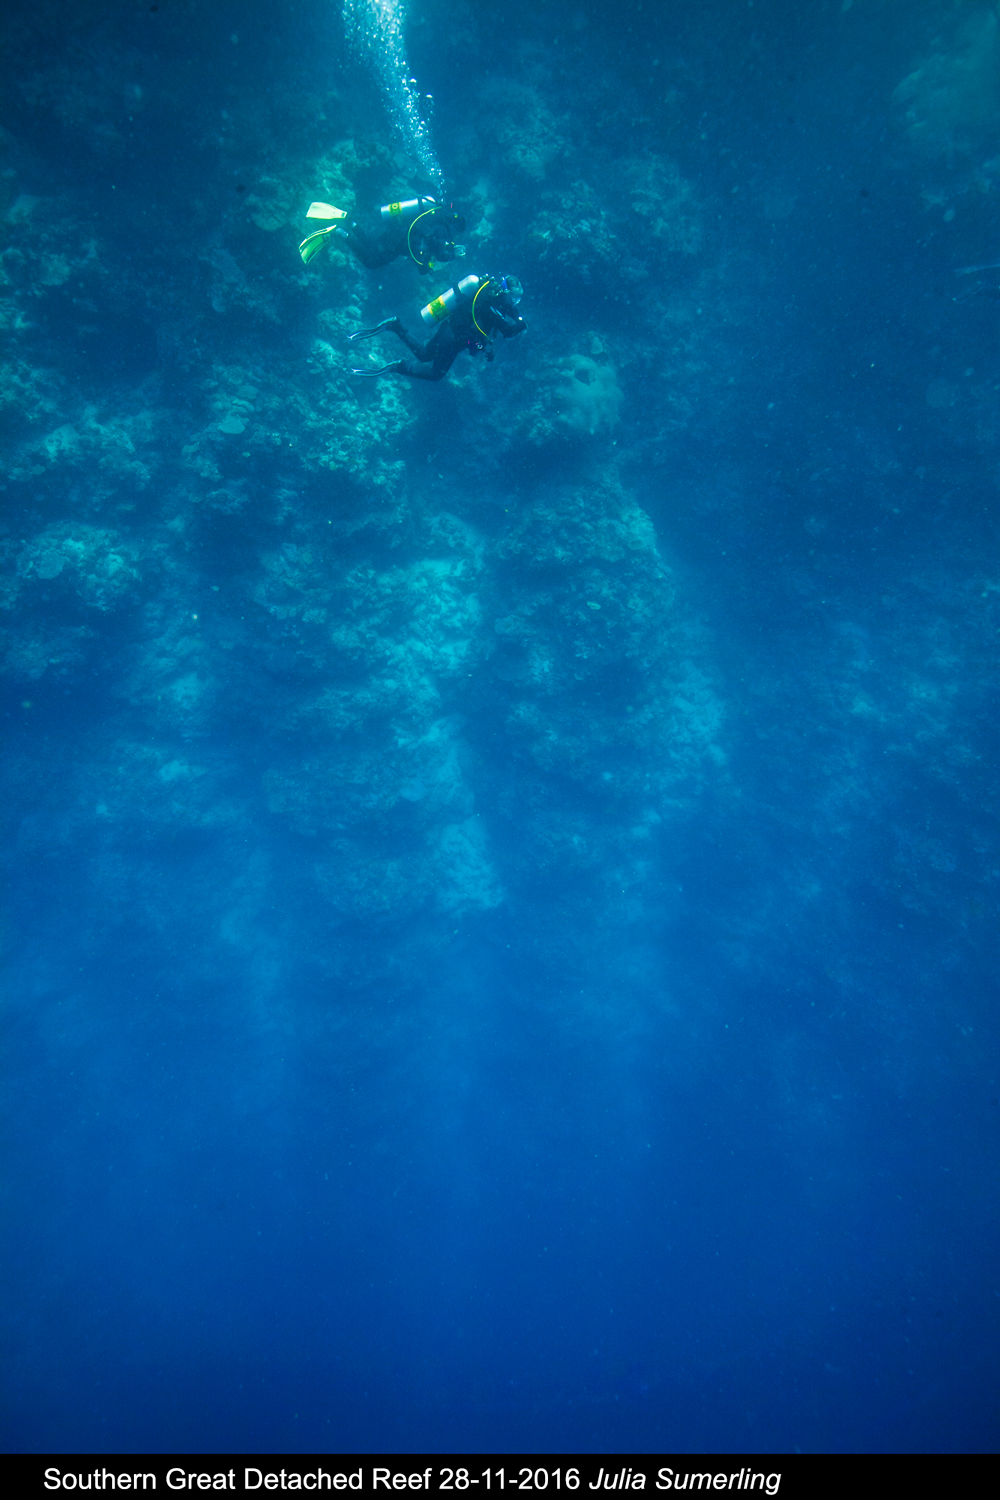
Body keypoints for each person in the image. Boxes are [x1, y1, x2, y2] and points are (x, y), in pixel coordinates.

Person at [349, 273, 525, 382]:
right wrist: (522, 324)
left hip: (449, 327)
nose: (513, 303)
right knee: (435, 374)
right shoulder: (492, 305)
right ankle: (397, 366)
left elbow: (509, 311)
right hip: (455, 337)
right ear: (504, 293)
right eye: (513, 298)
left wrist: (517, 317)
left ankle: (396, 326)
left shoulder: (492, 295)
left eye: (517, 299)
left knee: (425, 354)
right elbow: (507, 331)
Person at [299, 195, 465, 274]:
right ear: (456, 227)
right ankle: (339, 232)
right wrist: (450, 256)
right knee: (371, 261)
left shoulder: (436, 217)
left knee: (370, 244)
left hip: (397, 231)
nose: (455, 235)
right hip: (400, 243)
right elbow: (429, 252)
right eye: (457, 232)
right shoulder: (442, 230)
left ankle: (349, 221)